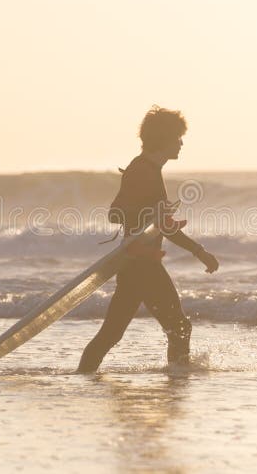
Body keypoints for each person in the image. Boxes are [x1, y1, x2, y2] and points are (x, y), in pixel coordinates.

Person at [77, 106, 219, 373]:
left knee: (112, 334)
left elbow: (159, 225)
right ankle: (177, 380)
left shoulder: (149, 169)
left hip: (136, 264)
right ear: (164, 139)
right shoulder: (141, 170)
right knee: (179, 327)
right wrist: (197, 250)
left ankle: (83, 375)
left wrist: (194, 248)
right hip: (141, 265)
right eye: (178, 137)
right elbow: (115, 213)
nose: (181, 143)